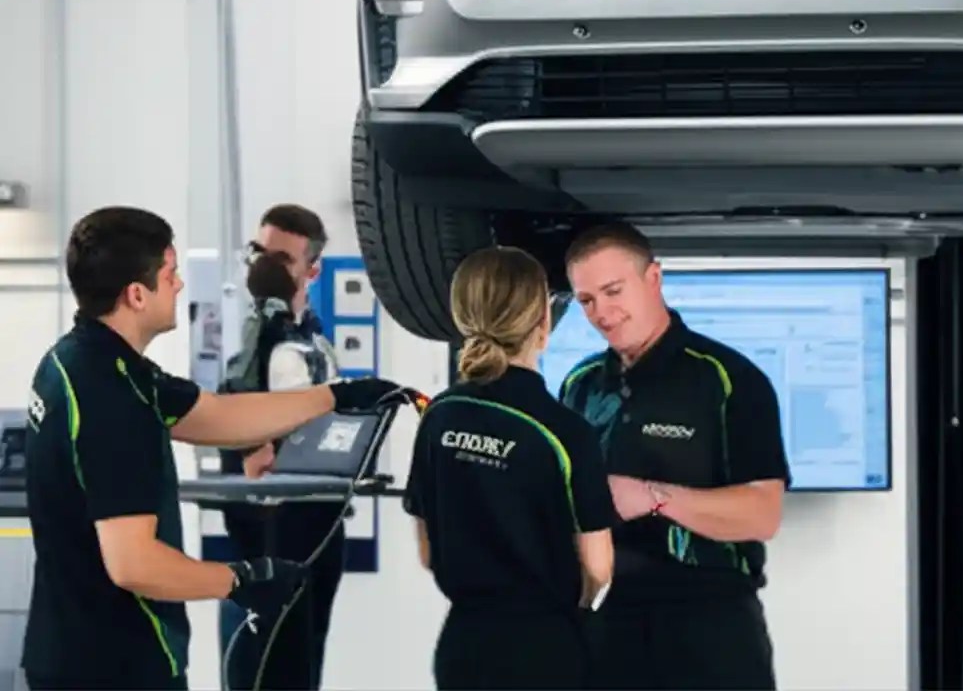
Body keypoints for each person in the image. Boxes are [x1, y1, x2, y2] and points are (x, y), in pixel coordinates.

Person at [19, 205, 411, 691]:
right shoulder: (110, 397)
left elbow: (219, 416)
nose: (180, 284)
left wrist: (336, 396)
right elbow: (133, 563)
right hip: (111, 664)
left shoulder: (83, 362)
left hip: (73, 649)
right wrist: (241, 579)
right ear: (137, 294)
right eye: (171, 273)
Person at [557, 222, 791, 690]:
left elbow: (762, 514)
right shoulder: (578, 385)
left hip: (709, 623)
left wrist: (651, 496)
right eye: (586, 300)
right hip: (604, 621)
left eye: (613, 291)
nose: (602, 312)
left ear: (654, 279)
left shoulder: (729, 379)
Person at [402, 246, 616, 690]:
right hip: (546, 651)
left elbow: (427, 551)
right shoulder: (566, 432)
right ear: (543, 321)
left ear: (463, 316)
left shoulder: (439, 416)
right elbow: (598, 568)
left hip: (464, 647)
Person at [217, 204, 346, 691]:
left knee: (307, 651)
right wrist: (253, 445)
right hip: (270, 519)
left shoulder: (314, 336)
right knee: (269, 657)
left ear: (311, 270)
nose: (264, 266)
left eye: (281, 259)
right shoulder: (255, 334)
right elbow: (237, 397)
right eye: (259, 252)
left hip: (320, 514)